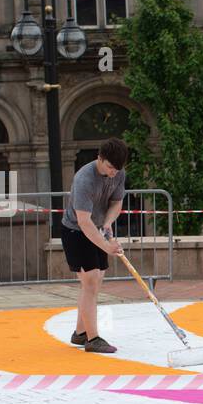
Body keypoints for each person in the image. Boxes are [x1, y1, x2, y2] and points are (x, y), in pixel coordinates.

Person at [62, 137, 127, 354]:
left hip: (97, 227)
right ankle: (93, 338)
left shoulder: (118, 173)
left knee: (96, 281)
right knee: (90, 281)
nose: (113, 173)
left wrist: (108, 223)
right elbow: (83, 220)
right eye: (110, 167)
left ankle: (80, 332)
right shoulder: (84, 179)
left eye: (117, 169)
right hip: (76, 231)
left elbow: (117, 202)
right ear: (100, 158)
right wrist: (107, 246)